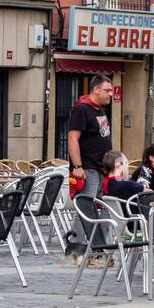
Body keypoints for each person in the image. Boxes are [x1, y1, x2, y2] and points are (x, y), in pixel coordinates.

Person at [65, 74, 114, 254]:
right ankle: (79, 246)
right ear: (96, 89)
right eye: (107, 90)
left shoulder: (100, 110)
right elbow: (72, 138)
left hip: (101, 168)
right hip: (87, 167)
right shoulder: (82, 109)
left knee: (90, 206)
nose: (110, 94)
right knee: (86, 205)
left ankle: (79, 245)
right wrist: (77, 167)